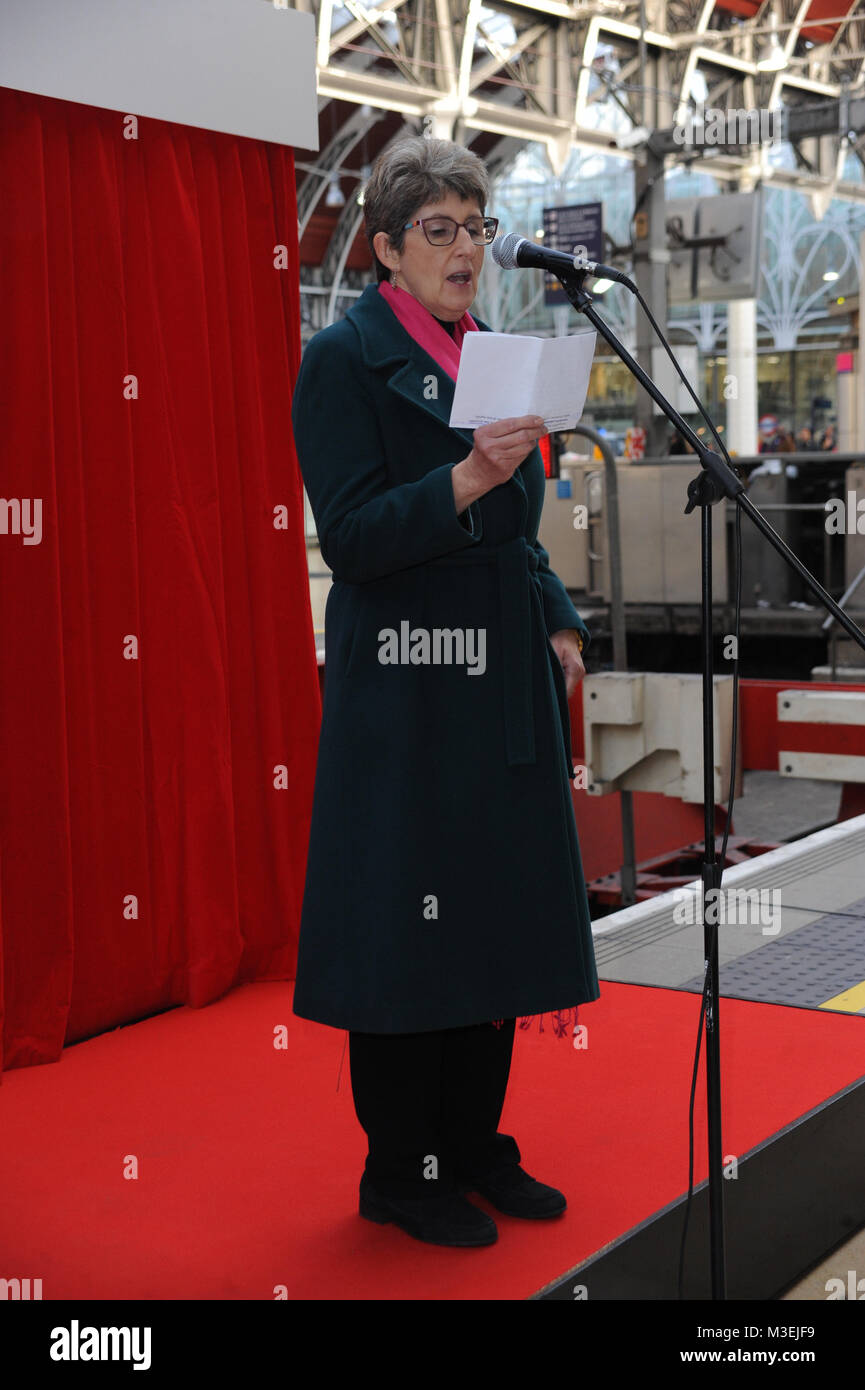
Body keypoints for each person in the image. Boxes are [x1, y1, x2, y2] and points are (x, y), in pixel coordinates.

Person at [290, 137, 599, 1250]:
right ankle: (403, 1169)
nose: (466, 247)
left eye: (475, 225)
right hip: (411, 686)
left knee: (494, 924)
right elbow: (357, 537)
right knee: (412, 932)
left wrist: (555, 611)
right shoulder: (342, 359)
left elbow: (515, 536)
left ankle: (476, 1145)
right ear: (385, 249)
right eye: (440, 230)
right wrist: (466, 476)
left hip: (501, 679)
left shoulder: (494, 354)